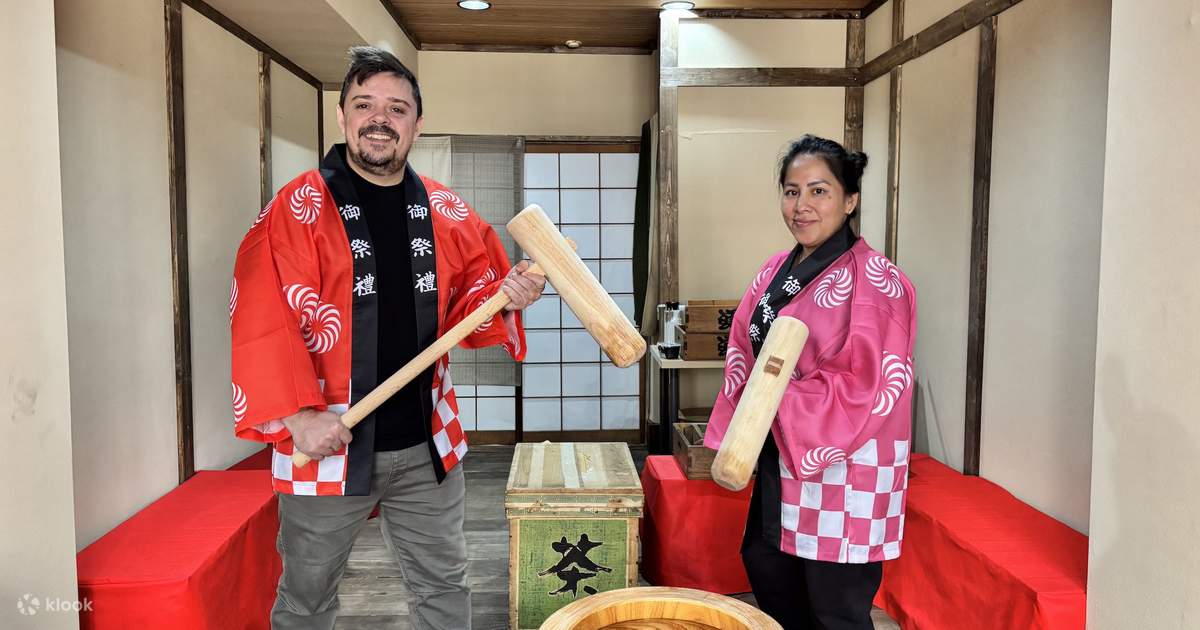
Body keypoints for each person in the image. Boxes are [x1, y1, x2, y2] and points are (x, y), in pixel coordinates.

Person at [229, 46, 545, 629]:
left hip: (425, 442)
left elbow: (473, 301)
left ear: (416, 125)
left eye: (397, 109)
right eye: (365, 105)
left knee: (445, 588)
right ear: (344, 117)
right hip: (327, 441)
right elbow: (259, 315)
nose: (381, 118)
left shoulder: (447, 212)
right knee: (307, 597)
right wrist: (299, 419)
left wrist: (508, 297)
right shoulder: (297, 209)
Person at [704, 135, 917, 630]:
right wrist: (750, 419)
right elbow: (744, 351)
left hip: (844, 474)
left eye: (819, 191)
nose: (802, 206)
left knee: (836, 609)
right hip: (781, 459)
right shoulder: (774, 270)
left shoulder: (878, 281)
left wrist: (771, 399)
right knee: (771, 577)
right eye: (791, 191)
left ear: (850, 200)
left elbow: (868, 386)